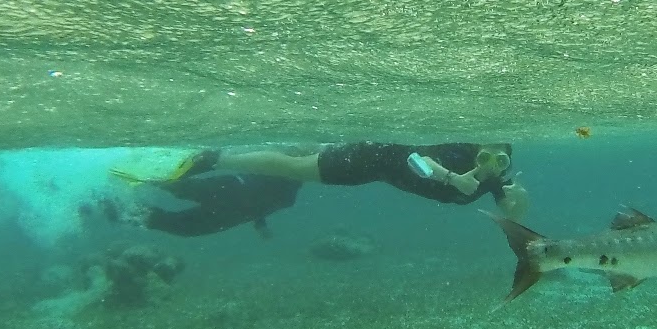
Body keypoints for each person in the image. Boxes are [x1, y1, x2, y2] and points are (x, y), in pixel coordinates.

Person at [171, 140, 530, 220]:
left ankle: (313, 146)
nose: (488, 166)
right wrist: (451, 177)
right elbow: (415, 159)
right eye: (484, 157)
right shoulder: (459, 154)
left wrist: (519, 202)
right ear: (476, 151)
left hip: (375, 174)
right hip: (372, 159)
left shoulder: (498, 182)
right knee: (294, 169)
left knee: (300, 162)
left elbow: (513, 222)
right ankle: (214, 158)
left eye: (500, 162)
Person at [97, 173, 303, 238]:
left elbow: (263, 205)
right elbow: (263, 198)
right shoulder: (283, 177)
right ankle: (143, 177)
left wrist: (260, 225)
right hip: (230, 193)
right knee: (178, 189)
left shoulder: (287, 197)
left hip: (232, 209)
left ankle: (125, 211)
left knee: (183, 226)